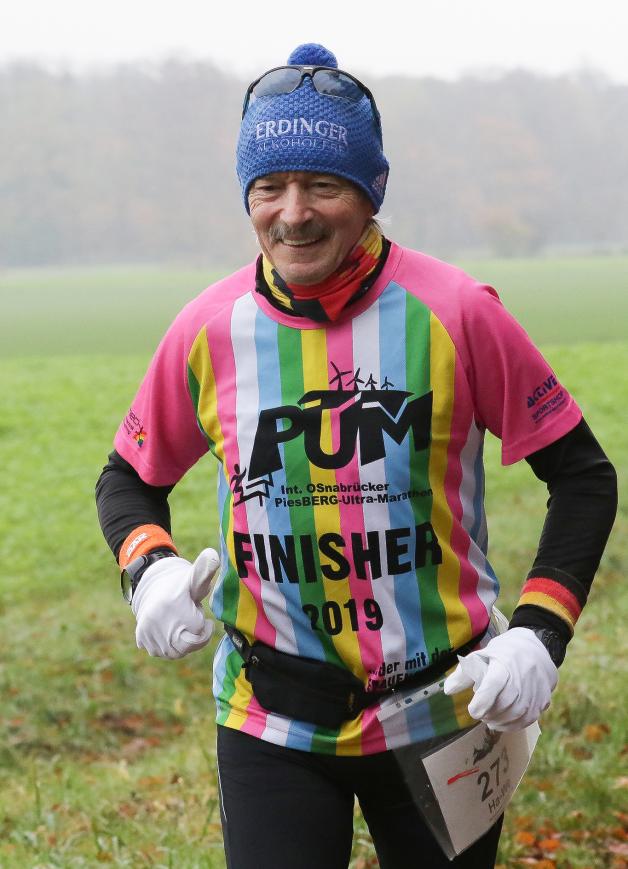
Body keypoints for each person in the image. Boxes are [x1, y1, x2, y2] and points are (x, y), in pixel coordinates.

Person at [96, 43, 617, 869]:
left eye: (323, 185)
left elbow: (584, 477)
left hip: (442, 714)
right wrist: (148, 566)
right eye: (269, 187)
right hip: (271, 718)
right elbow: (128, 477)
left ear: (371, 193)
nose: (292, 213)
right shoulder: (206, 328)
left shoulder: (458, 312)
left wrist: (538, 635)